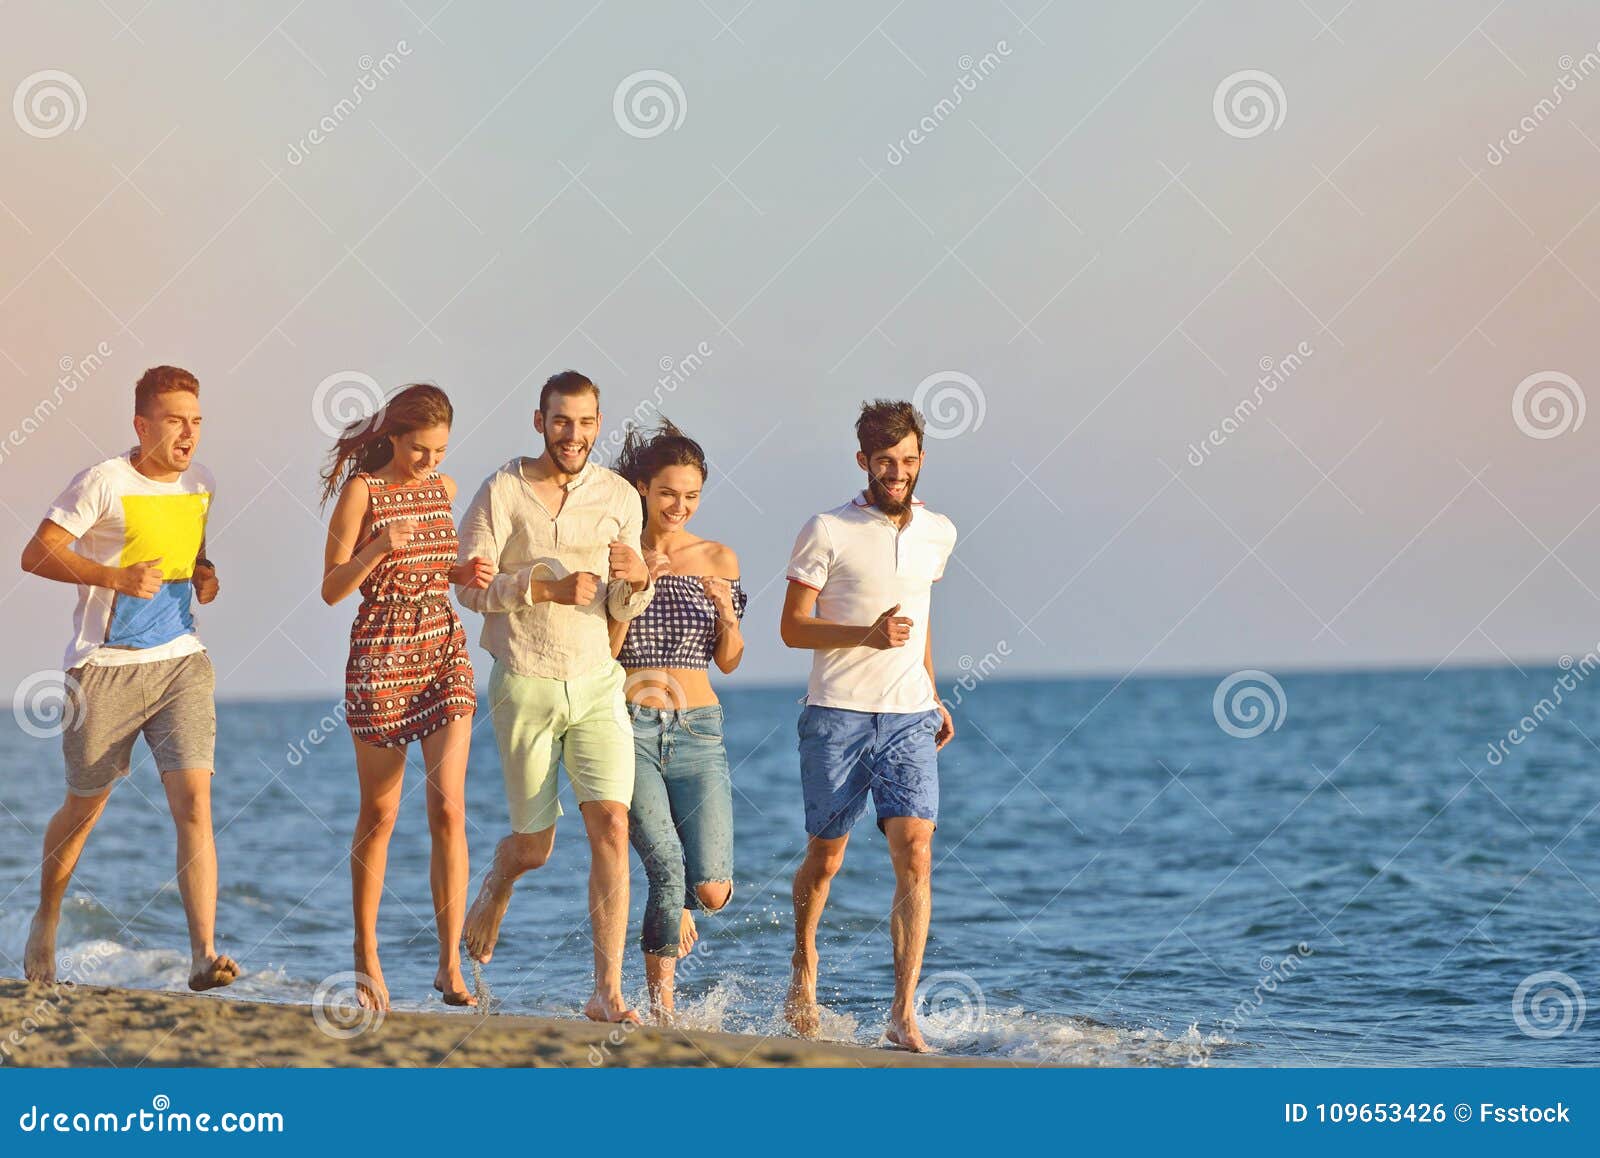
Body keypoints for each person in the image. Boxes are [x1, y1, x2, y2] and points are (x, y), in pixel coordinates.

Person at [18, 365, 239, 992]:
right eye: (174, 421)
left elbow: (191, 551)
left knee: (194, 802)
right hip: (103, 669)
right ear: (142, 425)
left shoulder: (203, 482)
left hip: (180, 662)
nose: (188, 434)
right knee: (85, 810)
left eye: (196, 421)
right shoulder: (102, 483)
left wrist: (205, 575)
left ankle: (202, 955)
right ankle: (48, 915)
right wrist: (113, 578)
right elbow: (36, 554)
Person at [454, 370, 655, 1024]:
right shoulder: (501, 491)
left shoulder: (621, 496)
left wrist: (638, 581)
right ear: (539, 421)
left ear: (599, 424)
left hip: (597, 678)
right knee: (535, 848)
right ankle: (499, 879)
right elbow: (470, 587)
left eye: (586, 422)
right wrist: (541, 590)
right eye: (561, 421)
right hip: (525, 678)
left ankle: (607, 992)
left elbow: (625, 601)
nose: (574, 435)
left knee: (612, 827)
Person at [779, 399, 958, 1052]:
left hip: (910, 716)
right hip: (837, 716)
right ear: (864, 462)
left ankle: (902, 1013)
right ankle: (804, 962)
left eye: (909, 459)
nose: (898, 471)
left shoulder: (939, 532)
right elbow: (792, 626)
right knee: (826, 861)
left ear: (920, 460)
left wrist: (933, 692)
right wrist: (867, 635)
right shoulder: (827, 528)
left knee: (915, 850)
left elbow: (921, 616)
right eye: (886, 461)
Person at [319, 383, 483, 1011]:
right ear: (393, 437)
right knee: (380, 815)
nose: (430, 463)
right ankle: (366, 956)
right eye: (420, 449)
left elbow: (438, 566)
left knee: (449, 809)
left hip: (442, 646)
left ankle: (449, 965)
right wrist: (377, 546)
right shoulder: (363, 491)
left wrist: (463, 573)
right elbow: (333, 588)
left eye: (439, 451)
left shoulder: (442, 489)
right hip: (381, 655)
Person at [607, 420, 745, 1023]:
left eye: (690, 495)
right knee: (664, 865)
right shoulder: (619, 552)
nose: (679, 506)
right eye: (668, 493)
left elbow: (730, 659)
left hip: (699, 729)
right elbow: (606, 649)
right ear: (643, 487)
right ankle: (663, 1012)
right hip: (631, 724)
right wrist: (638, 586)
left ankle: (684, 899)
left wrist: (727, 615)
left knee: (710, 890)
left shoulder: (719, 557)